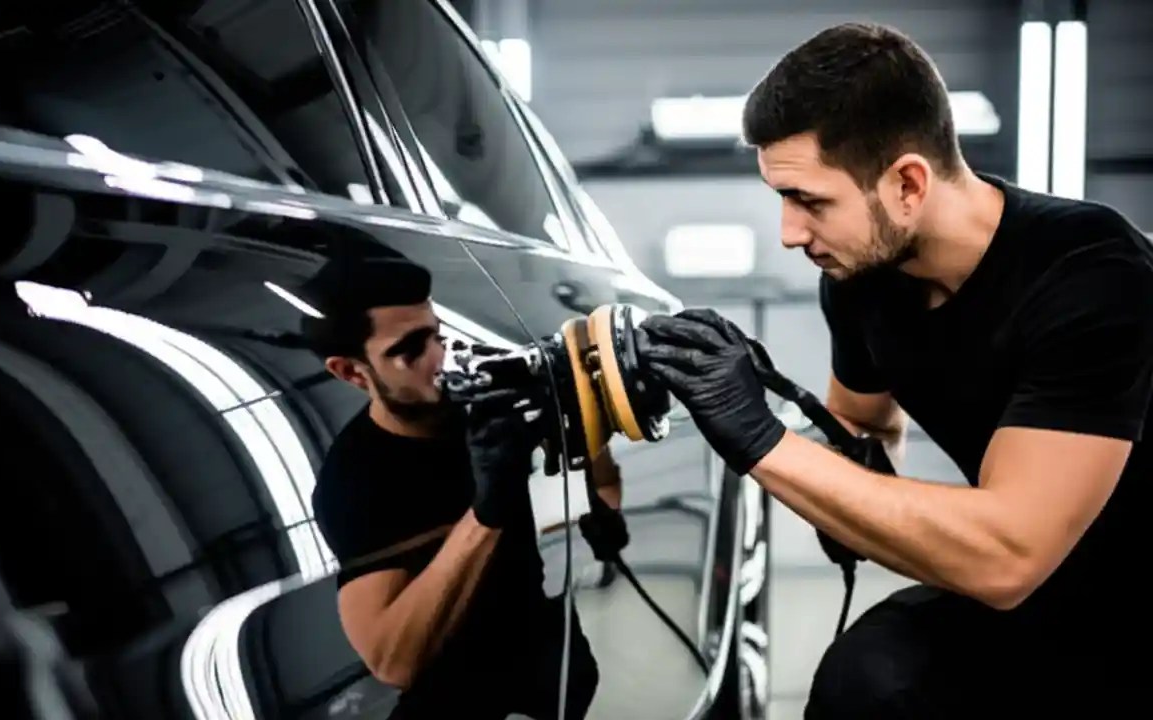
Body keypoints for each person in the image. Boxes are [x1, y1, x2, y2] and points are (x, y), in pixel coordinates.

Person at [636, 22, 1153, 718]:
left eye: (810, 201)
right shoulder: (861, 281)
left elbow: (1009, 554)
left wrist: (763, 442)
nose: (789, 233)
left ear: (907, 182)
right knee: (871, 677)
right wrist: (845, 471)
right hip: (1047, 595)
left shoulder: (1090, 273)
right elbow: (861, 420)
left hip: (1121, 605)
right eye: (782, 199)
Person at [304, 253, 609, 719]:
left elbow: (590, 445)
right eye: (410, 351)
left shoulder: (485, 400)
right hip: (462, 691)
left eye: (437, 336)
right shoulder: (356, 485)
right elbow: (393, 661)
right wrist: (487, 511)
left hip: (548, 659)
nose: (441, 360)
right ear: (351, 371)